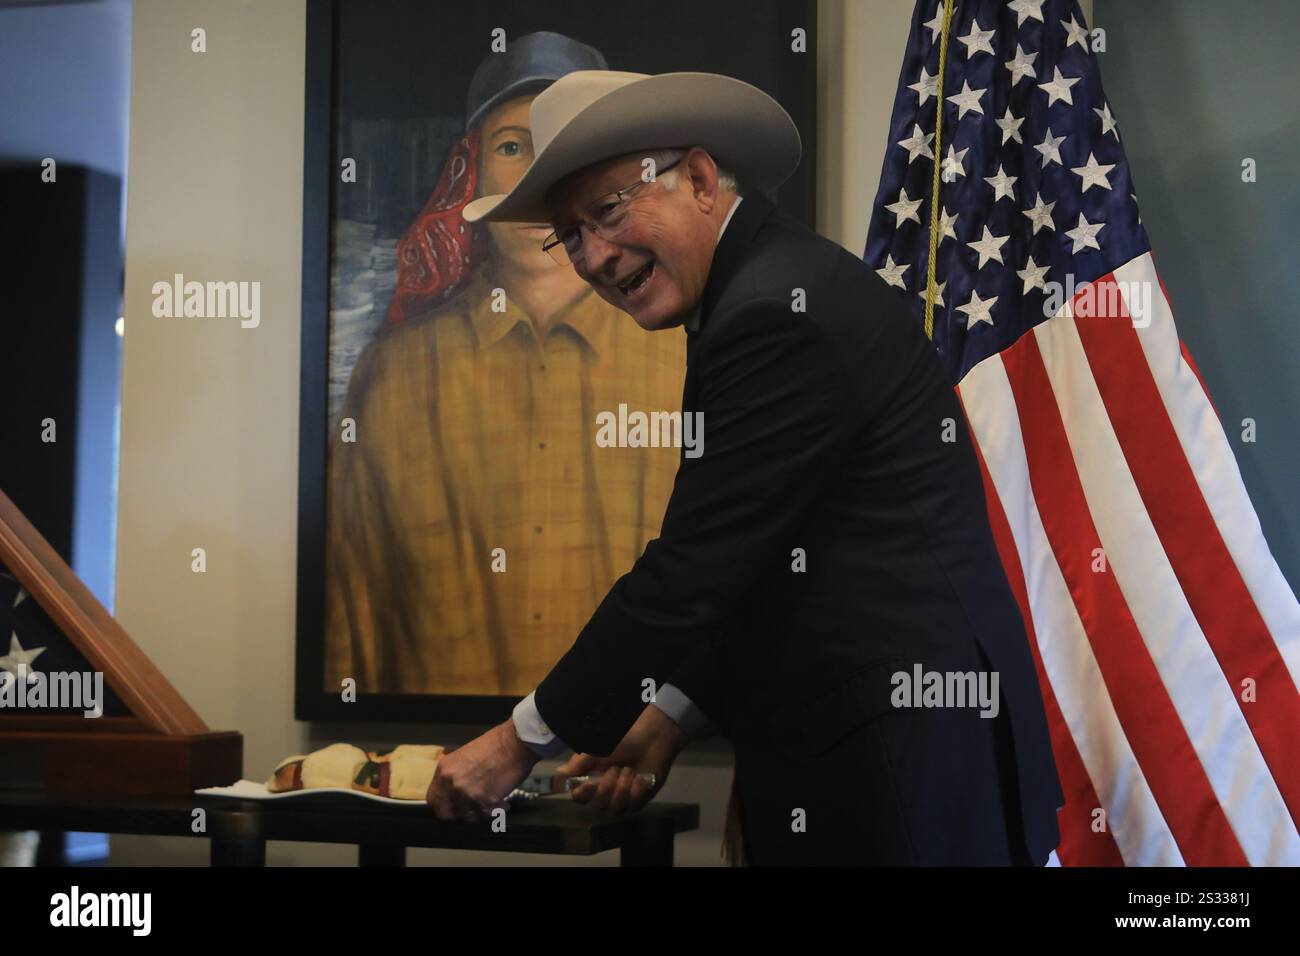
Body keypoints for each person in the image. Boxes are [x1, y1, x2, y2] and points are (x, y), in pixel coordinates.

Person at [426, 69, 1063, 865]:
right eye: (570, 234)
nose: (592, 256)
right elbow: (766, 558)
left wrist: (519, 741)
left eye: (607, 211)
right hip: (904, 764)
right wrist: (669, 716)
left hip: (900, 777)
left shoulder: (769, 313)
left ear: (697, 178)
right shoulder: (764, 286)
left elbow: (692, 571)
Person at [324, 35, 686, 695]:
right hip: (439, 774)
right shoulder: (396, 375)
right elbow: (352, 606)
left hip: (632, 774)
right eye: (513, 147)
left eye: (564, 149)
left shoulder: (689, 364)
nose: (535, 183)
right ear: (473, 171)